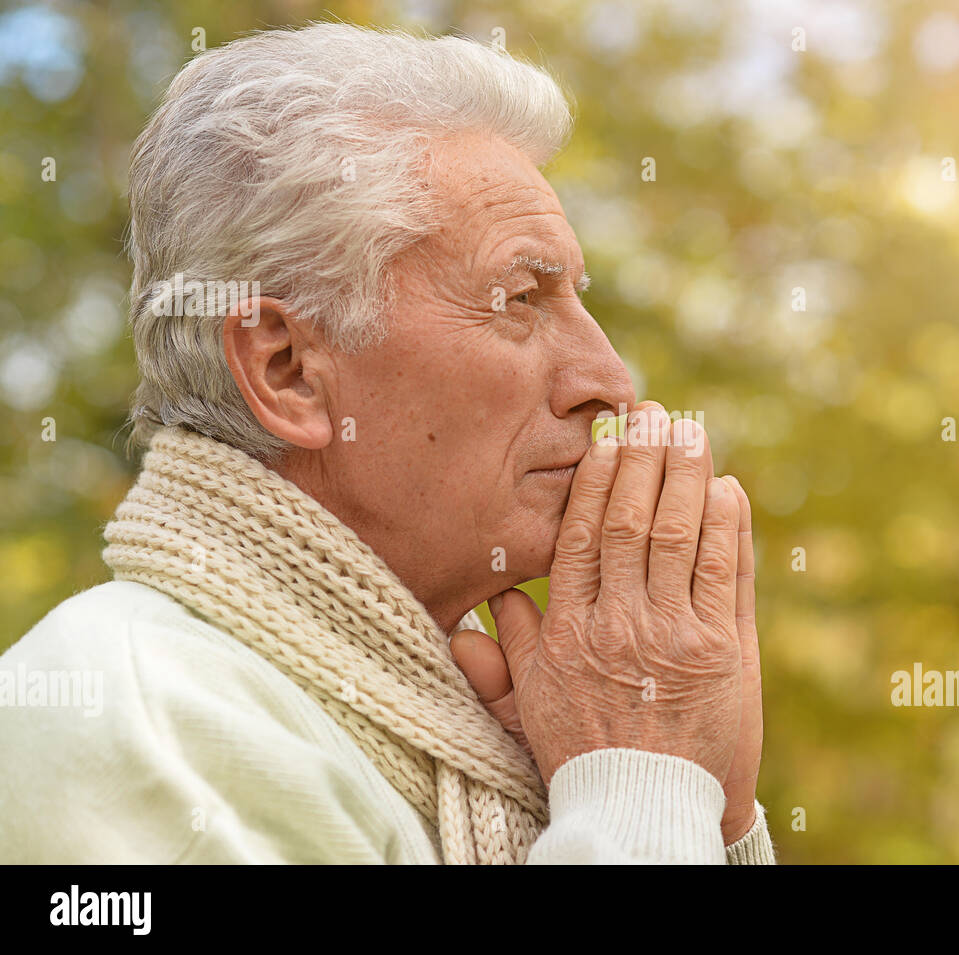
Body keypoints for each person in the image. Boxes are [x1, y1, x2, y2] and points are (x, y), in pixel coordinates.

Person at [0, 22, 774, 865]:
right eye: (521, 297)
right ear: (288, 368)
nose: (610, 380)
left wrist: (712, 817)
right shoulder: (124, 714)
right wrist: (640, 780)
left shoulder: (457, 735)